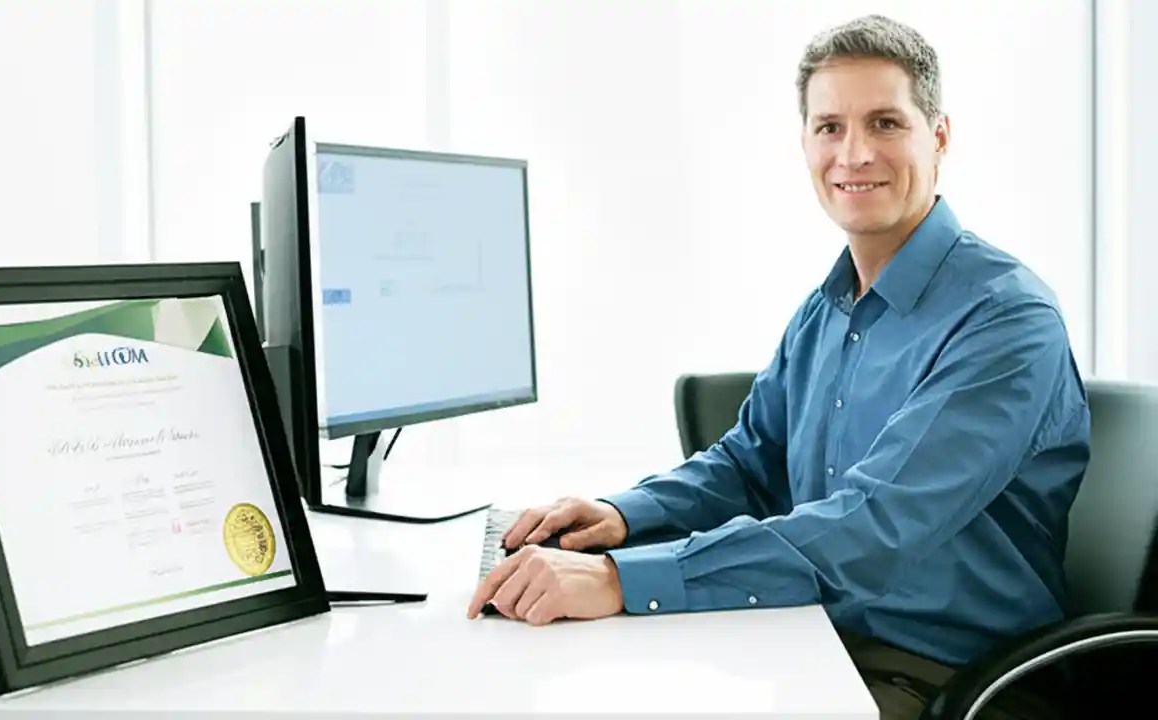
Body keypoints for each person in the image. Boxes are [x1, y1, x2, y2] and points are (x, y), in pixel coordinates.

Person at [466, 13, 1090, 720]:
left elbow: (875, 525)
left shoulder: (1005, 319)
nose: (853, 154)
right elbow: (750, 462)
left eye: (885, 123)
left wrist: (617, 579)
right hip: (806, 636)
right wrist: (619, 517)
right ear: (805, 144)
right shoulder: (829, 307)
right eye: (829, 127)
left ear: (938, 135)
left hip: (944, 676)